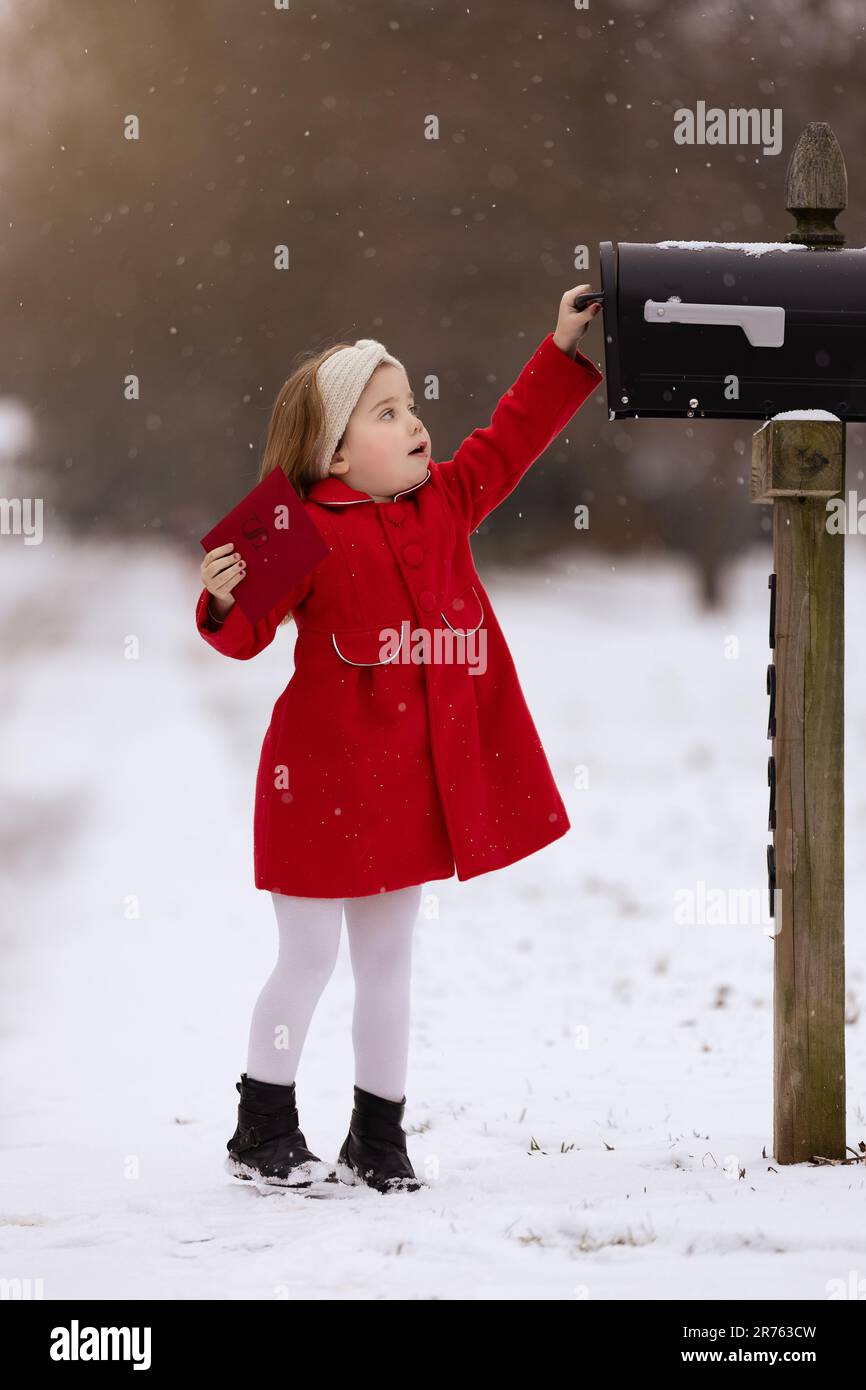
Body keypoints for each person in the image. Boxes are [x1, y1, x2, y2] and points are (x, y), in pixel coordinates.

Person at [197, 286, 604, 1195]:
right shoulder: (293, 525)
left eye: (413, 405)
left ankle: (378, 1139)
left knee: (389, 964)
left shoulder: (446, 501)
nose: (416, 423)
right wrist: (225, 593)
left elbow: (510, 441)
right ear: (335, 451)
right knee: (306, 958)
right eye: (388, 413)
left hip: (404, 793)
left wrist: (559, 349)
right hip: (314, 785)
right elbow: (242, 634)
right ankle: (260, 1126)